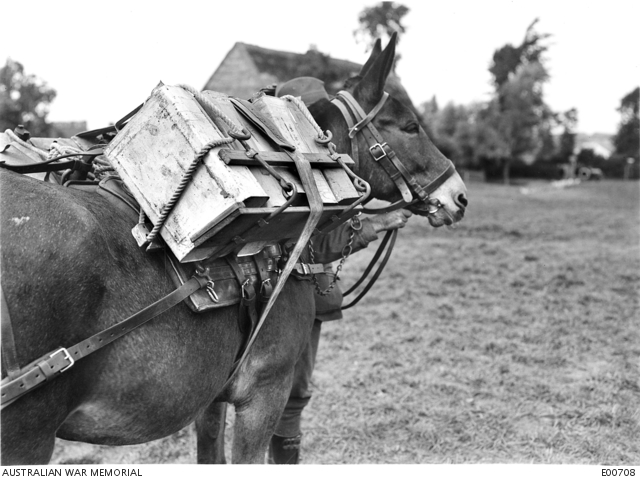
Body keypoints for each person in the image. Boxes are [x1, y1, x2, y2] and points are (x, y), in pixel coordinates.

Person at [269, 78, 413, 464]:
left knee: (288, 393)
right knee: (291, 392)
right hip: (291, 294)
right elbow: (314, 240)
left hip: (296, 292)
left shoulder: (308, 161)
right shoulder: (295, 166)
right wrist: (376, 224)